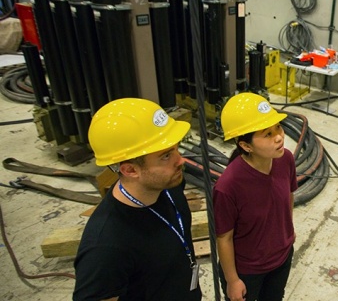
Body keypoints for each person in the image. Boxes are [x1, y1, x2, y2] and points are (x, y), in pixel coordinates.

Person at [73, 98, 201, 301]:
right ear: (130, 169)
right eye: (166, 156)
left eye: (176, 148)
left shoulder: (168, 185)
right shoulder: (106, 247)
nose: (180, 161)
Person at [213, 93, 297, 301]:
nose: (279, 136)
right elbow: (224, 238)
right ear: (246, 146)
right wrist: (232, 280)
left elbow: (288, 196)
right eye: (267, 134)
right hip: (248, 270)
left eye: (278, 127)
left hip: (281, 258)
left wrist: (286, 234)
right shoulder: (228, 186)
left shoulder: (285, 159)